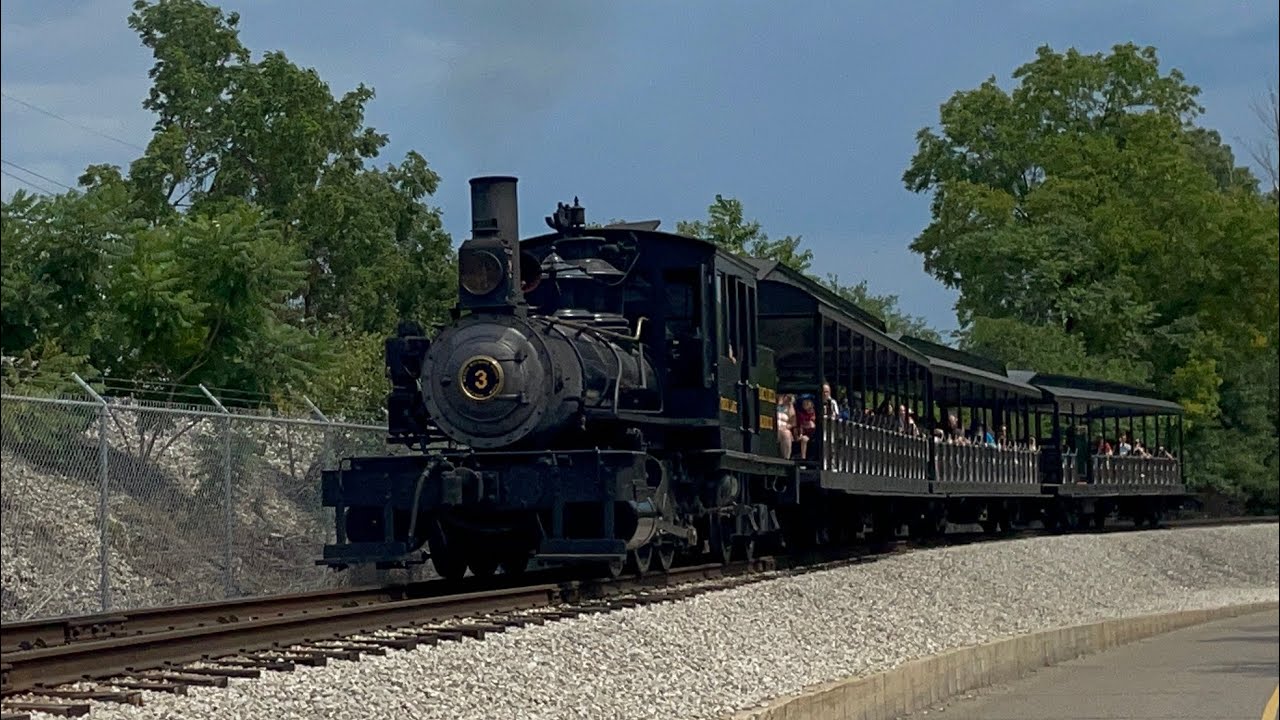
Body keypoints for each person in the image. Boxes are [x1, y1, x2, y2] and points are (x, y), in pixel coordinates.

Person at [776, 393, 796, 460]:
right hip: (774, 427)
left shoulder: (789, 407)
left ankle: (786, 457)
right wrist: (779, 402)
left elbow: (793, 422)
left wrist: (787, 427)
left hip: (784, 428)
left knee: (787, 434)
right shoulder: (774, 405)